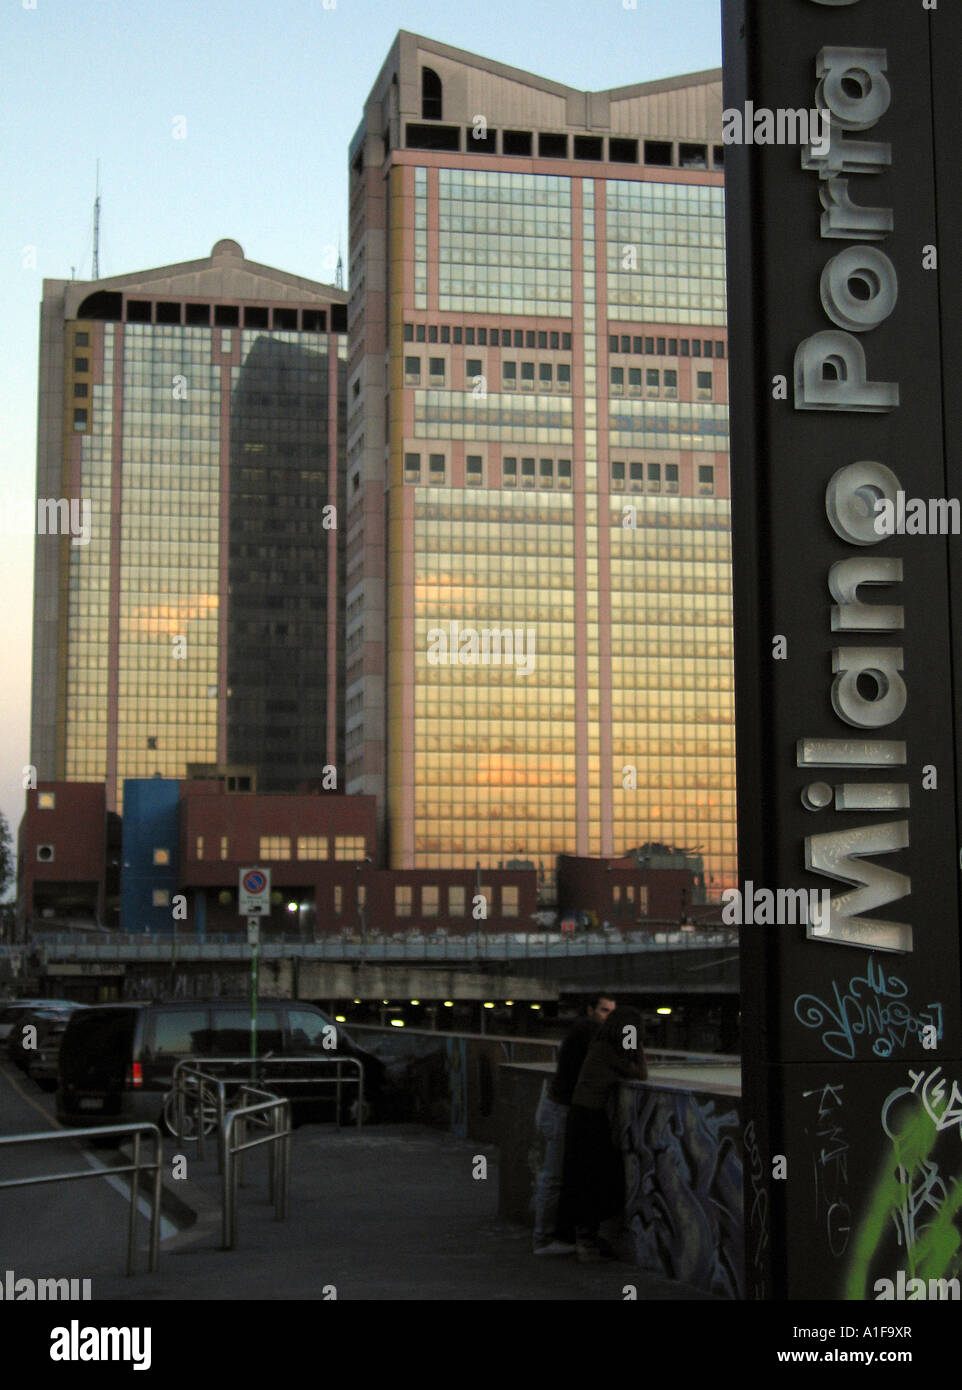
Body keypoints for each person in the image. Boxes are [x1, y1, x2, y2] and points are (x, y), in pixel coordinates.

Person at [561, 1004, 647, 1262]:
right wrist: (639, 1046)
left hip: (583, 1117)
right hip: (588, 1119)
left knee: (589, 1178)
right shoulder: (607, 1052)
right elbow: (641, 1073)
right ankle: (589, 1241)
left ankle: (589, 1239)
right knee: (597, 1178)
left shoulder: (602, 1047)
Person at [532, 991, 616, 1255]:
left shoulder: (584, 1030)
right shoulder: (588, 1030)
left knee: (557, 1175)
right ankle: (544, 1240)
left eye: (613, 1012)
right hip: (561, 1109)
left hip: (556, 1105)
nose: (608, 1017)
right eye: (604, 1011)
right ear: (590, 1010)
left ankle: (552, 1237)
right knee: (554, 1176)